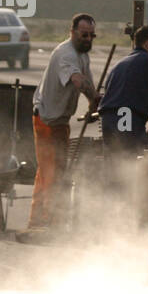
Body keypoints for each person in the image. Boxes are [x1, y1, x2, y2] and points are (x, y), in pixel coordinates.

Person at [21, 14, 97, 238]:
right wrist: (93, 96)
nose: (88, 39)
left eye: (92, 35)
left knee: (52, 173)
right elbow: (78, 81)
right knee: (51, 174)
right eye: (84, 35)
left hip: (60, 122)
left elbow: (89, 84)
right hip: (46, 120)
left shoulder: (83, 56)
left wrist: (93, 105)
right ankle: (45, 225)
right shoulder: (66, 54)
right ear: (72, 32)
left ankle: (43, 221)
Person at [98, 24, 148, 182]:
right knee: (132, 158)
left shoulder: (119, 64)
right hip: (126, 115)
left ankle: (107, 198)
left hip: (107, 119)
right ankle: (130, 200)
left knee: (112, 163)